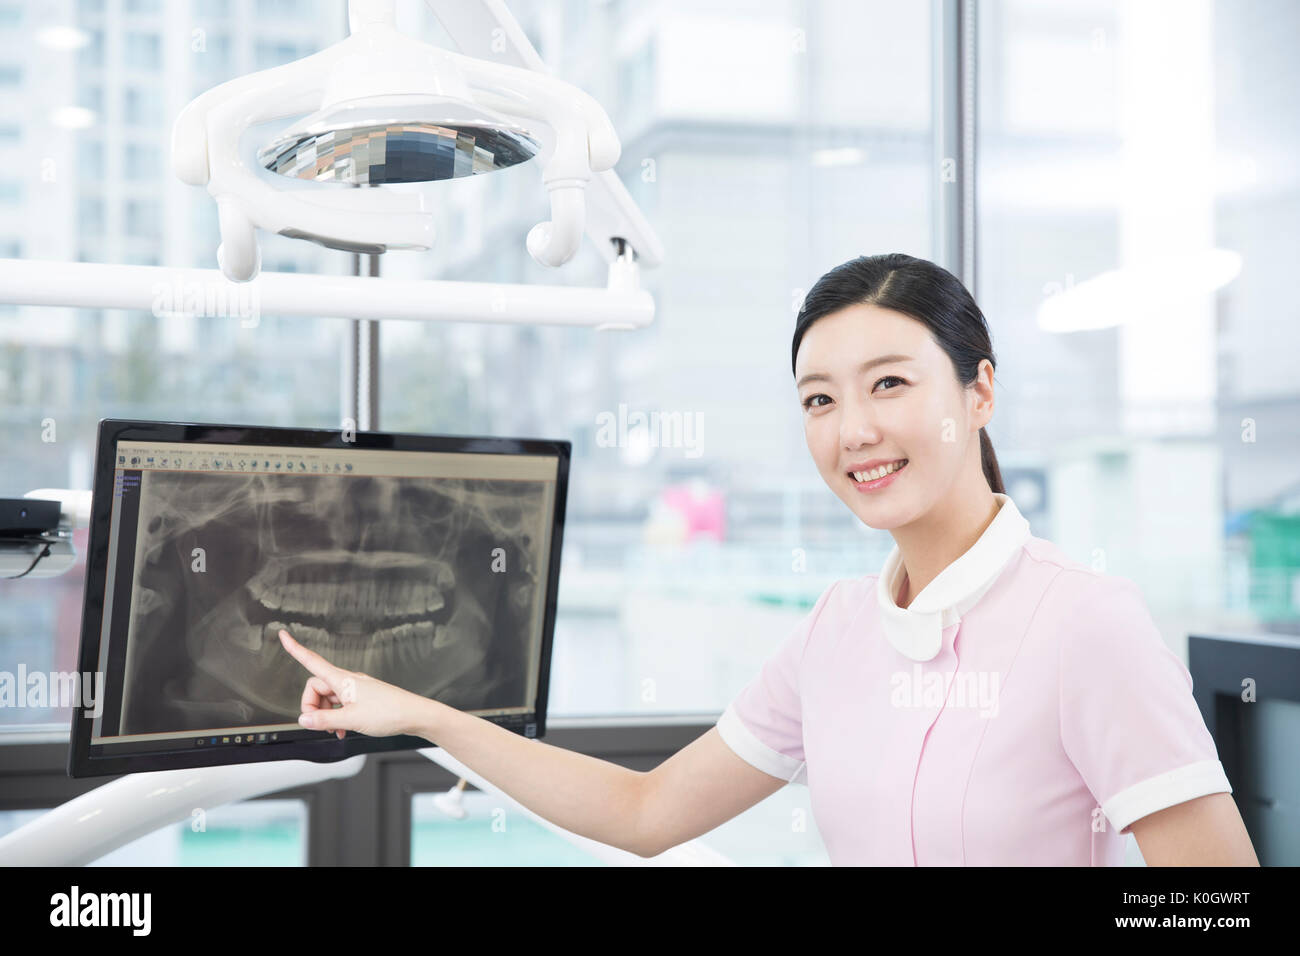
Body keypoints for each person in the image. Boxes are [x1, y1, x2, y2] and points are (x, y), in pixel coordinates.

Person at [277, 252, 1259, 865]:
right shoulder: (835, 632)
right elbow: (644, 808)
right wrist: (421, 715)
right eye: (820, 399)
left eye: (889, 383)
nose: (855, 430)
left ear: (978, 392)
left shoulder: (1085, 622)